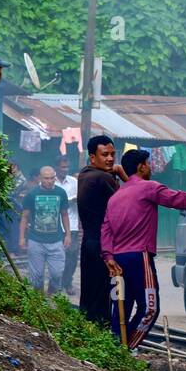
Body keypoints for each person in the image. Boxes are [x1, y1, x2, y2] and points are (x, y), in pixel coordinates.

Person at [100, 148, 186, 350]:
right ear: (141, 166)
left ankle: (116, 348)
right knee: (149, 309)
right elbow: (178, 198)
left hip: (118, 259)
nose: (150, 168)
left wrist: (108, 255)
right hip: (139, 256)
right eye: (148, 164)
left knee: (121, 307)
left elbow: (106, 229)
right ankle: (127, 348)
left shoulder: (115, 197)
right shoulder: (148, 187)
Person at [77, 136, 127, 327]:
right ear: (92, 157)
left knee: (90, 291)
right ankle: (102, 331)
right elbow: (132, 198)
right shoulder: (102, 177)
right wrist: (121, 173)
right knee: (102, 292)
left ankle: (87, 330)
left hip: (89, 242)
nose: (110, 159)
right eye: (104, 154)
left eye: (113, 154)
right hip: (103, 244)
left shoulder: (85, 174)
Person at [19, 165, 70, 293]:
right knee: (37, 278)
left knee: (57, 273)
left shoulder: (60, 193)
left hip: (56, 240)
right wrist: (21, 238)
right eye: (46, 178)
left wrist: (68, 234)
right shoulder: (32, 194)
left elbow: (64, 214)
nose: (50, 181)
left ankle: (50, 296)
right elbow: (25, 217)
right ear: (40, 178)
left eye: (52, 178)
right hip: (36, 240)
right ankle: (39, 304)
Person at [54, 155, 80, 293]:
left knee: (72, 255)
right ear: (56, 167)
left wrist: (76, 199)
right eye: (63, 167)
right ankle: (57, 283)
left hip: (73, 224)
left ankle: (67, 282)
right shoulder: (50, 182)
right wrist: (69, 200)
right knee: (58, 256)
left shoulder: (74, 182)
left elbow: (80, 197)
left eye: (67, 167)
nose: (65, 169)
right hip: (56, 225)